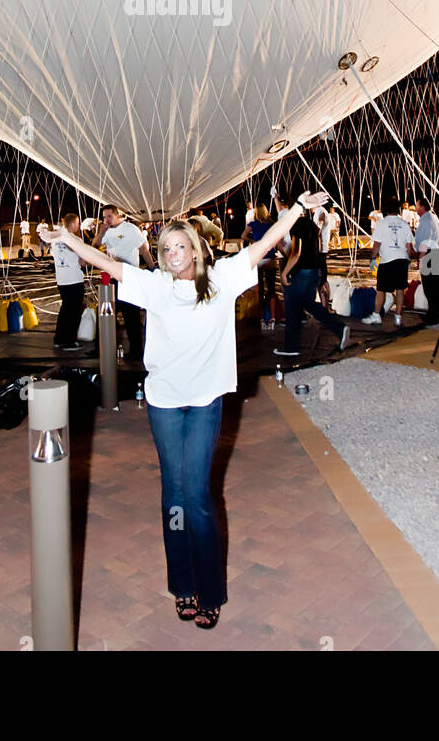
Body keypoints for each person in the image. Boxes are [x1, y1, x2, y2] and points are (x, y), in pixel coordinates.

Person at [39, 189, 330, 630]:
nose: (174, 254)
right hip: (164, 403)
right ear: (161, 255)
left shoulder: (222, 279)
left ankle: (210, 589)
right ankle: (183, 586)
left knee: (196, 496)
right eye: (167, 248)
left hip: (206, 401)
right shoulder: (153, 286)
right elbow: (108, 264)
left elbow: (263, 245)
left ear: (195, 249)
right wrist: (68, 240)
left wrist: (296, 211)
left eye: (181, 246)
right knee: (172, 495)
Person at [274, 198, 349, 357]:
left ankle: (291, 347)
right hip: (314, 270)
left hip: (302, 272)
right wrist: (281, 248)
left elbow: (296, 253)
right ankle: (339, 328)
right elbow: (302, 251)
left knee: (292, 306)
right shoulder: (311, 226)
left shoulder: (298, 225)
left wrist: (284, 272)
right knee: (309, 304)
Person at [95, 205, 155, 361]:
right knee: (106, 313)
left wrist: (153, 268)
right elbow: (95, 246)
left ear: (117, 215)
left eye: (109, 216)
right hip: (111, 277)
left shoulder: (130, 229)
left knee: (131, 316)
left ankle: (136, 351)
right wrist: (101, 232)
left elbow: (143, 249)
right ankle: (102, 348)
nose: (106, 220)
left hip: (129, 276)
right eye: (104, 217)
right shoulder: (106, 231)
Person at [365, 197, 416, 326]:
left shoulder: (381, 224)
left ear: (385, 210)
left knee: (381, 290)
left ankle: (376, 315)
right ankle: (398, 317)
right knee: (400, 289)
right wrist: (408, 259)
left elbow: (376, 244)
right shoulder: (404, 224)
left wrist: (373, 258)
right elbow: (409, 246)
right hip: (401, 260)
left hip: (387, 260)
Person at [415, 197, 439, 323]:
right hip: (437, 253)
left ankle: (434, 313)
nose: (415, 208)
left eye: (417, 205)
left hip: (430, 254)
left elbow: (425, 241)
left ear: (422, 206)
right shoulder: (432, 218)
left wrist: (421, 258)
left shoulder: (426, 220)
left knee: (430, 286)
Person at [52, 212, 86, 351]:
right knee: (74, 312)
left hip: (61, 280)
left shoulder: (55, 240)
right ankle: (69, 341)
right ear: (72, 224)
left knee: (65, 310)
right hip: (74, 279)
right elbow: (83, 262)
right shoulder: (76, 241)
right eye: (78, 223)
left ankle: (59, 339)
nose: (78, 226)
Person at [242, 204, 277, 329]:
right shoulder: (271, 223)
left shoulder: (253, 224)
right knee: (272, 289)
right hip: (270, 257)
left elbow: (243, 236)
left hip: (259, 257)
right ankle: (272, 318)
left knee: (260, 289)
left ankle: (262, 319)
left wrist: (254, 241)